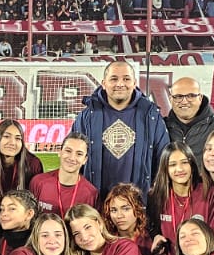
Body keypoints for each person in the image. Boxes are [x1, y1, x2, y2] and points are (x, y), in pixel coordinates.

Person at [71, 60, 169, 195]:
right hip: (95, 203)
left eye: (126, 79)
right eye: (114, 79)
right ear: (104, 83)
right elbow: (74, 159)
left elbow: (163, 158)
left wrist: (153, 193)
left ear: (134, 83)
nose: (120, 84)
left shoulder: (151, 116)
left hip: (137, 204)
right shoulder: (86, 116)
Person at [146, 142, 214, 255]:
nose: (179, 169)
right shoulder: (156, 196)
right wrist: (155, 236)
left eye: (184, 163)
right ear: (165, 169)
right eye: (172, 165)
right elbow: (152, 229)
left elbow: (213, 237)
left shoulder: (207, 192)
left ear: (192, 165)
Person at [163, 76, 214, 161]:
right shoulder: (161, 127)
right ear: (170, 99)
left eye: (191, 96)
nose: (184, 101)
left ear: (200, 98)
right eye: (178, 96)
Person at [29, 133, 98, 218]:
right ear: (60, 152)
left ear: (85, 160)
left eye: (79, 154)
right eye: (68, 151)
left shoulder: (91, 193)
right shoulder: (38, 182)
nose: (72, 158)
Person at [0, 119, 45, 206]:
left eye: (18, 138)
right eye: (6, 136)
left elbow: (34, 202)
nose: (12, 143)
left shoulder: (32, 164)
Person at [101, 183, 153, 255]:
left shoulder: (151, 240)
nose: (119, 216)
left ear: (138, 209)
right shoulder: (105, 241)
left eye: (125, 209)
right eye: (114, 210)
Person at [0, 188, 38, 255]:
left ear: (29, 214)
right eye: (2, 209)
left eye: (12, 208)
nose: (4, 213)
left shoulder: (37, 245)